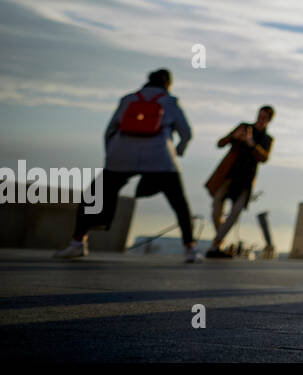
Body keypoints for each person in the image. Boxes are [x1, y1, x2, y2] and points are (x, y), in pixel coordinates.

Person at [55, 69, 198, 263]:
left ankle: (77, 243)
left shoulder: (128, 99)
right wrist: (178, 151)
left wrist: (111, 155)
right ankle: (190, 249)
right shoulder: (170, 102)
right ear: (168, 84)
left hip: (121, 155)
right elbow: (186, 133)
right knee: (179, 203)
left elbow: (110, 130)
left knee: (93, 196)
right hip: (159, 157)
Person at [205, 105, 274, 258]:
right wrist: (233, 137)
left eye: (264, 118)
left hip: (246, 180)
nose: (260, 120)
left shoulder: (267, 139)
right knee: (216, 207)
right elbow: (220, 143)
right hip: (228, 175)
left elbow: (264, 158)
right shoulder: (244, 127)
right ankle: (220, 241)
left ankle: (216, 244)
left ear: (268, 120)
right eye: (259, 116)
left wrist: (252, 144)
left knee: (235, 211)